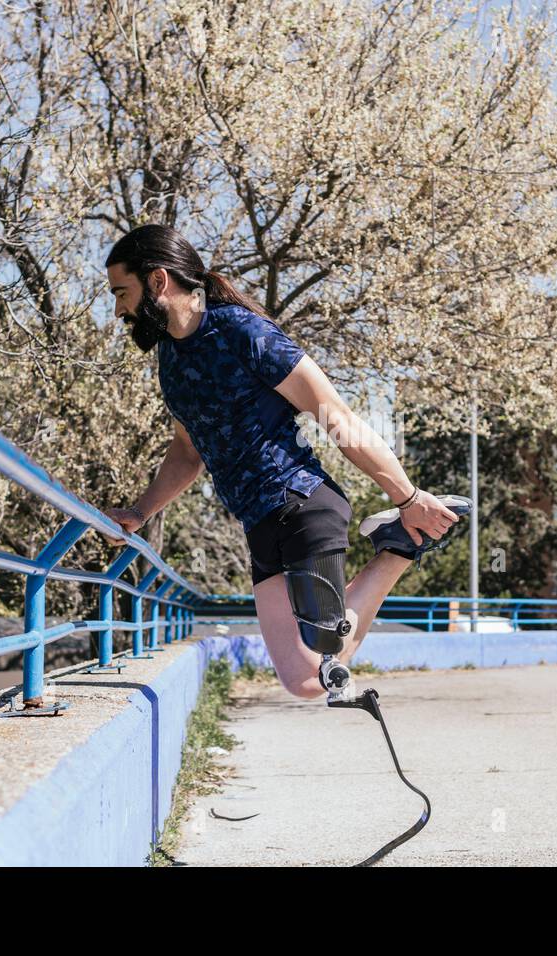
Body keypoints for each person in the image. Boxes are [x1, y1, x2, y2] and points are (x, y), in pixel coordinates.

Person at [101, 224, 469, 700]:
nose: (118, 309)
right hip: (258, 522)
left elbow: (336, 416)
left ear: (157, 281)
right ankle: (396, 544)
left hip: (302, 503)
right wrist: (140, 511)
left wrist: (409, 496)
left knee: (324, 664)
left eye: (121, 292)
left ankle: (402, 542)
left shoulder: (243, 331)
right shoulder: (171, 358)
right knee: (302, 681)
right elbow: (188, 451)